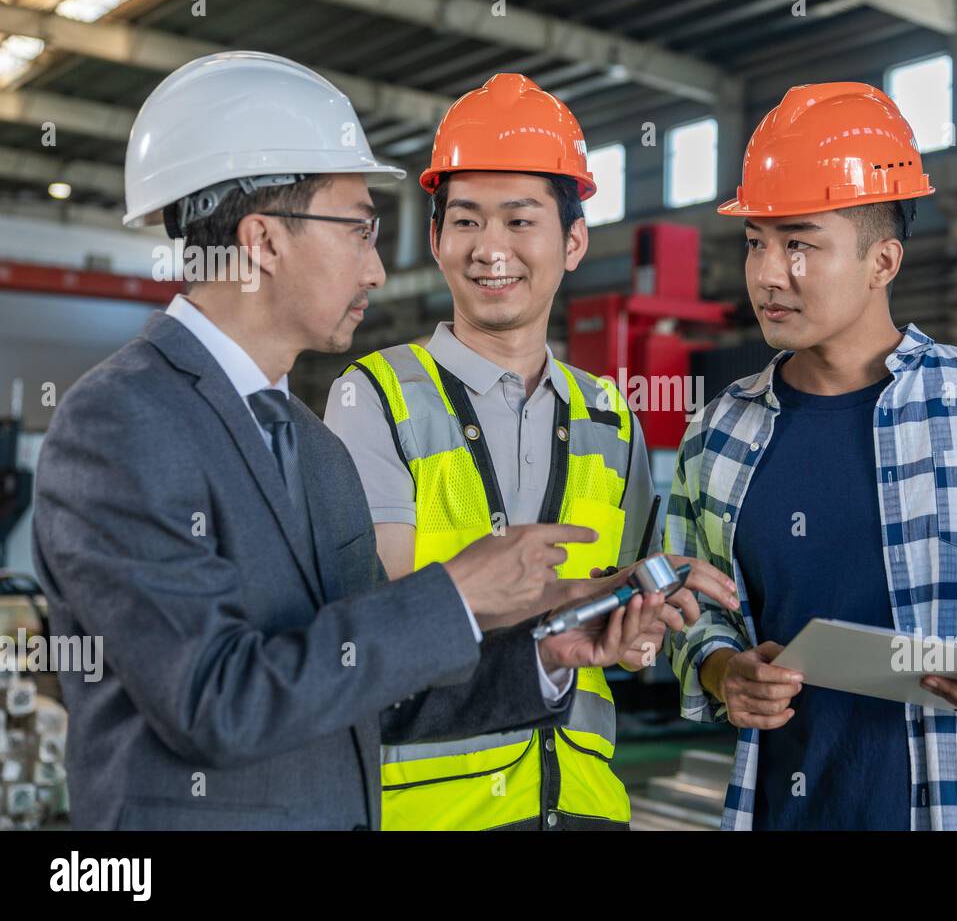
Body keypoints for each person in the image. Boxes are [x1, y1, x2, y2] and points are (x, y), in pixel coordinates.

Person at [31, 51, 672, 831]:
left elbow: (371, 684)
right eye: (359, 229)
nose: (376, 268)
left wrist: (543, 653)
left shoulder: (312, 448)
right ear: (263, 241)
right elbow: (212, 701)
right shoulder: (120, 424)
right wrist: (457, 593)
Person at [665, 82, 957, 830]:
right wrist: (723, 671)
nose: (768, 274)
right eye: (756, 241)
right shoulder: (717, 432)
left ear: (883, 260)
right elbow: (693, 608)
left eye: (800, 243)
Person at [325, 72, 736, 830]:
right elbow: (384, 627)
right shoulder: (374, 397)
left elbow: (630, 603)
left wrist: (642, 631)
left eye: (520, 221)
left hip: (585, 805)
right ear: (438, 237)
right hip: (432, 812)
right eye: (468, 221)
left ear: (573, 241)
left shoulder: (612, 417)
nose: (491, 250)